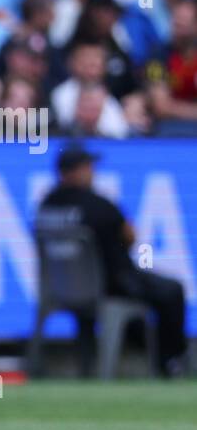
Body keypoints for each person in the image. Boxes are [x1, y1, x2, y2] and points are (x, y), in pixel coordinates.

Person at [36, 146, 189, 378]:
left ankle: (157, 357)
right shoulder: (98, 205)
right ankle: (171, 361)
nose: (92, 172)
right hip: (111, 285)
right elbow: (130, 236)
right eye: (87, 167)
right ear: (72, 172)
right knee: (171, 291)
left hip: (61, 289)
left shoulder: (46, 206)